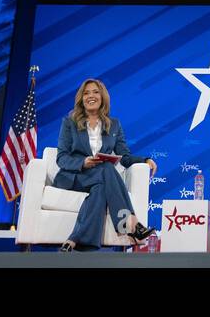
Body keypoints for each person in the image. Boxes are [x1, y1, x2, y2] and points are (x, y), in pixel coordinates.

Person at [54, 78, 157, 251]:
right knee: (107, 168)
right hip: (74, 177)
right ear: (81, 99)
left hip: (99, 179)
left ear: (102, 97)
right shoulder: (69, 123)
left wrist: (145, 160)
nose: (91, 96)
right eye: (86, 93)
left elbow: (124, 157)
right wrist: (83, 162)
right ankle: (131, 223)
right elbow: (61, 157)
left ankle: (76, 239)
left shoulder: (113, 124)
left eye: (95, 92)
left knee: (101, 186)